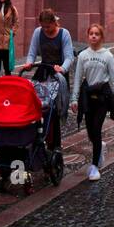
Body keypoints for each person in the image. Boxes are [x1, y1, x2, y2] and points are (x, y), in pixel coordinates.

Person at [70, 23, 114, 181]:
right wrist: (74, 99)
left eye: (97, 34)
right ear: (88, 36)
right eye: (91, 34)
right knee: (90, 132)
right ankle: (100, 146)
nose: (93, 36)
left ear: (101, 37)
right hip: (88, 97)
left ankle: (94, 167)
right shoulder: (83, 56)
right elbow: (78, 77)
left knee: (96, 128)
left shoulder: (107, 56)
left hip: (102, 97)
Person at [19, 8, 74, 148]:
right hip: (43, 73)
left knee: (54, 112)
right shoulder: (38, 32)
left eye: (48, 27)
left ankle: (55, 145)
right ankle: (37, 139)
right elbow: (32, 52)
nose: (45, 29)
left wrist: (62, 68)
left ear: (54, 23)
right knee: (39, 106)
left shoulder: (64, 34)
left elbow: (69, 57)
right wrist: (29, 63)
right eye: (43, 26)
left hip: (58, 75)